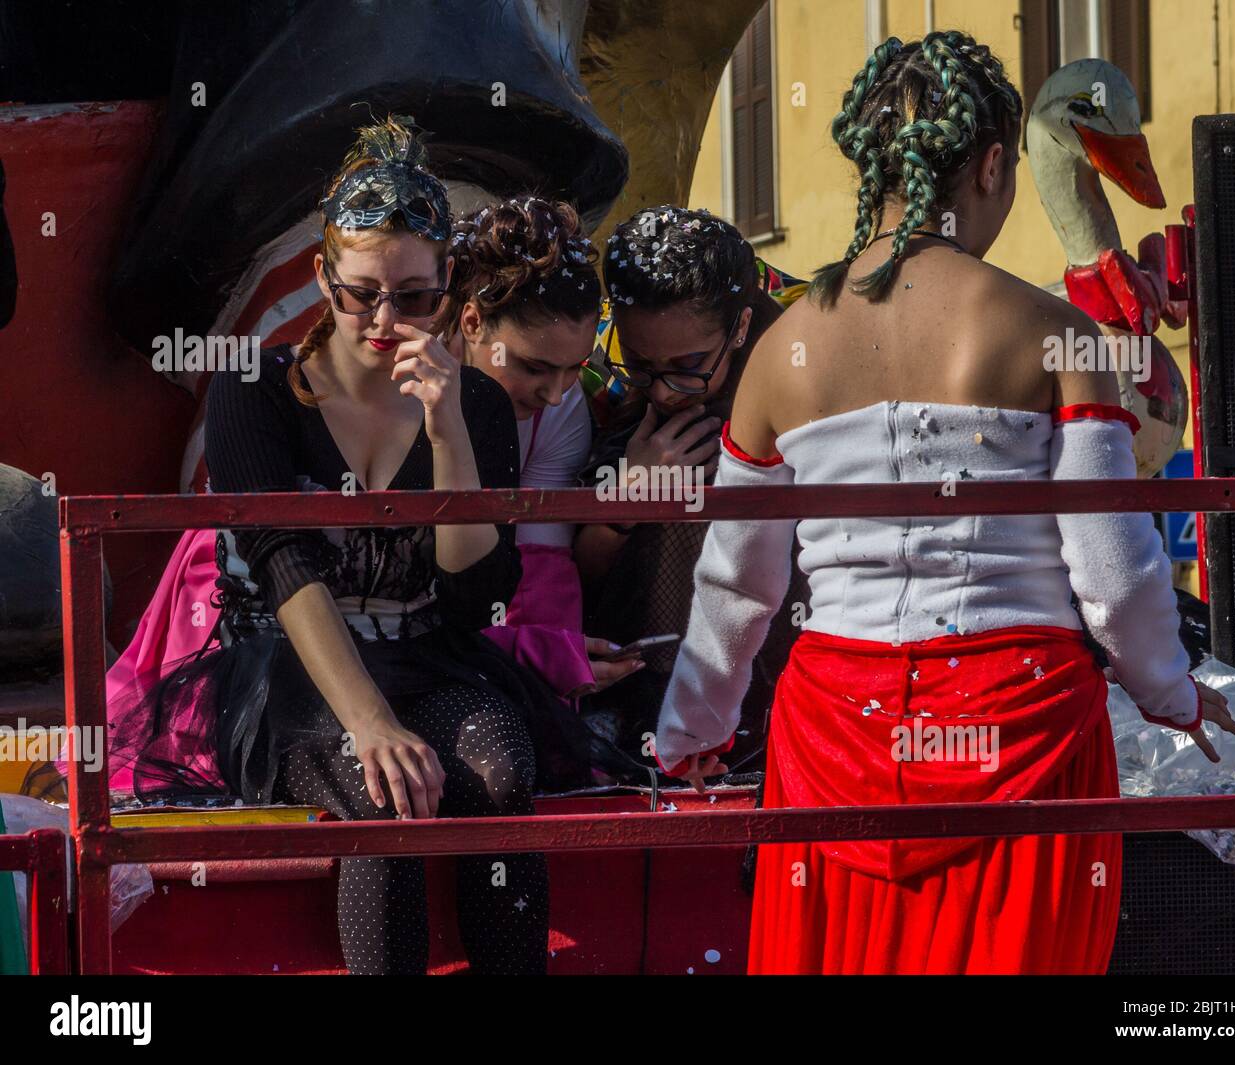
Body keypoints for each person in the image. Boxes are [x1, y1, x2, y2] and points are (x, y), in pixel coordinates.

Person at [653, 31, 1235, 975]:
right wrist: (1171, 693)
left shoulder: (778, 351)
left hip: (833, 735)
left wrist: (691, 730)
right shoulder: (1063, 335)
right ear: (995, 163)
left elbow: (735, 589)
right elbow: (1112, 569)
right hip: (1024, 729)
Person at [110, 115, 553, 974]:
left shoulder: (479, 407)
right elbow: (281, 561)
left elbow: (474, 598)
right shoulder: (254, 391)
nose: (385, 318)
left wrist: (449, 431)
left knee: (501, 777)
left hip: (432, 655)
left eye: (416, 296)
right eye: (360, 293)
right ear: (322, 277)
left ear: (448, 285)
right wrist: (371, 722)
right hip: (289, 664)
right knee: (381, 796)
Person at [574, 206, 802, 776]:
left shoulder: (807, 370)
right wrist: (627, 499)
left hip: (780, 682)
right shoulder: (592, 370)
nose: (668, 391)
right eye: (643, 364)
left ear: (743, 327)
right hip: (634, 683)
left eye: (689, 365)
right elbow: (571, 576)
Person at [433, 197, 642, 703]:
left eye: (574, 367)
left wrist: (556, 659)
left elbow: (540, 571)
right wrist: (533, 656)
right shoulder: (396, 382)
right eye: (533, 368)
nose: (555, 392)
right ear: (472, 322)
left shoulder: (563, 406)